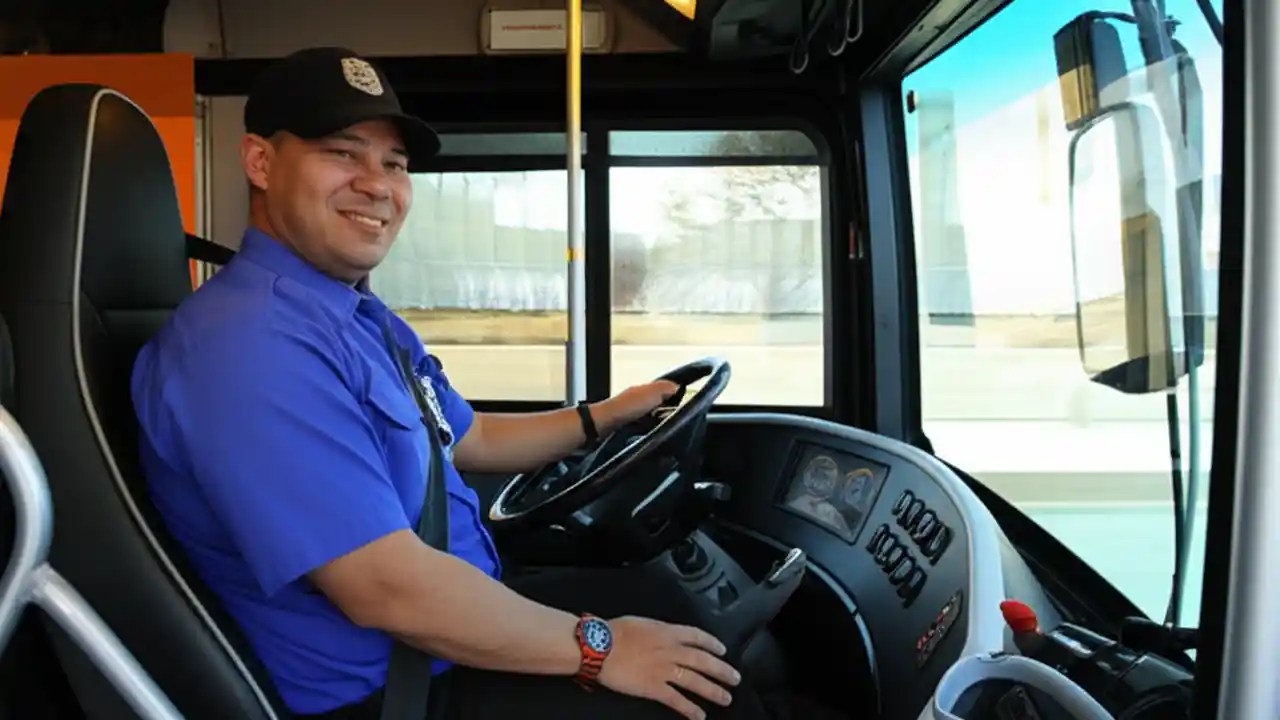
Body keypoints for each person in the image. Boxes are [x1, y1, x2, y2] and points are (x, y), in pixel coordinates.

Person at [131, 47, 770, 720]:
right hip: (395, 690)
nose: (377, 184)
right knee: (705, 698)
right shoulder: (244, 347)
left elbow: (471, 435)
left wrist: (603, 417)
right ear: (261, 161)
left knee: (671, 612)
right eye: (343, 153)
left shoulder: (355, 316)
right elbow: (385, 589)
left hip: (447, 626)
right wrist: (602, 649)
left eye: (395, 164)